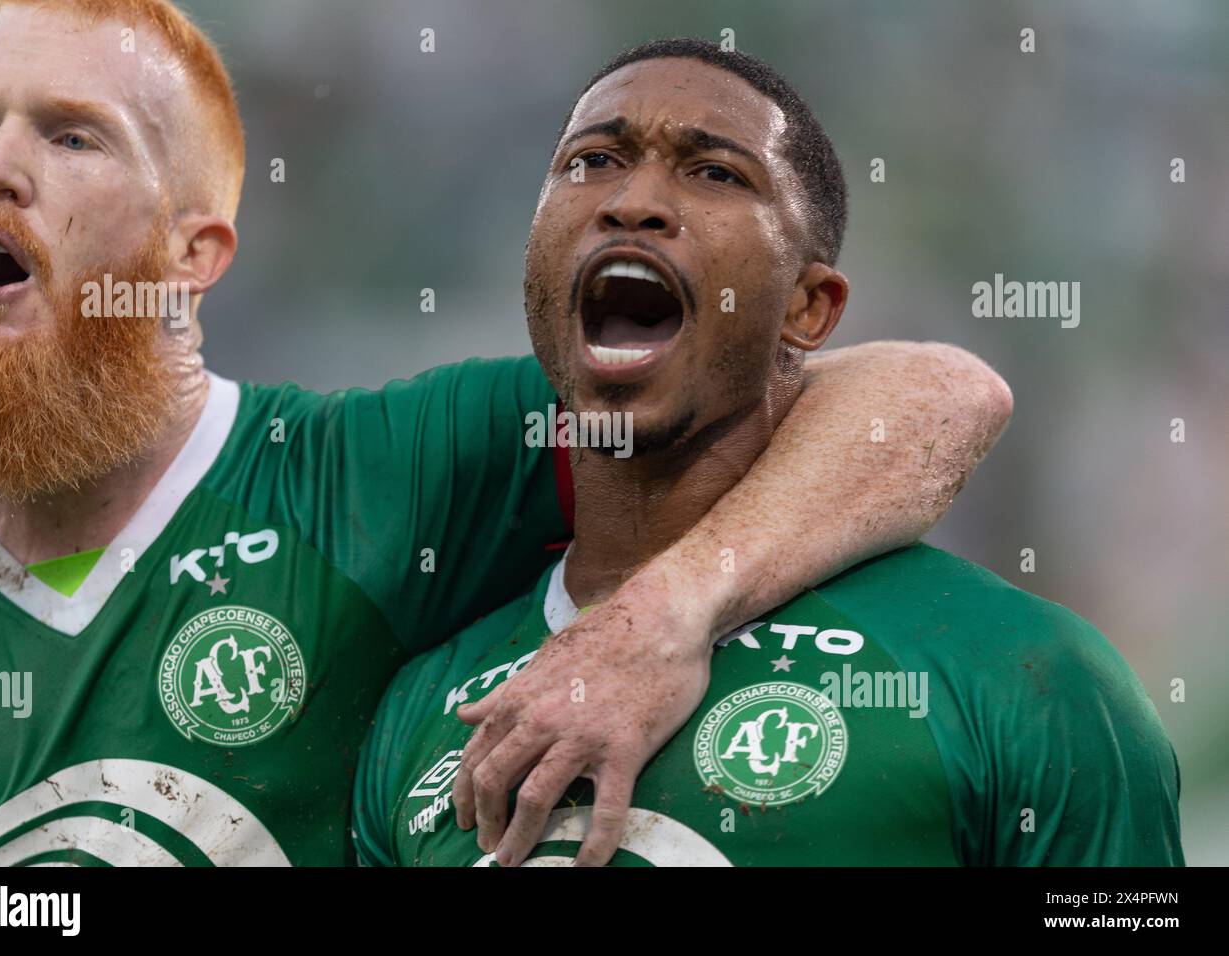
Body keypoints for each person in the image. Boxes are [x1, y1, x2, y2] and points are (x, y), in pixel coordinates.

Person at [353, 38, 1182, 867]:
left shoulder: (1024, 672)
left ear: (809, 309)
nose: (633, 201)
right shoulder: (419, 711)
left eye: (715, 173)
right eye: (594, 160)